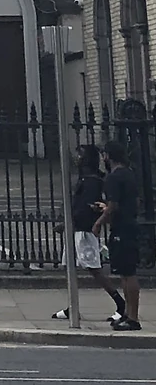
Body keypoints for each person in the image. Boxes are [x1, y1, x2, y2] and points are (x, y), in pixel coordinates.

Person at [52, 144, 126, 322]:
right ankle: (72, 306)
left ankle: (120, 303)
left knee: (94, 269)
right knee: (69, 267)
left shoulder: (92, 180)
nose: (77, 158)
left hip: (84, 230)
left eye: (81, 155)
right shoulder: (86, 178)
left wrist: (67, 223)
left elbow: (85, 208)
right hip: (76, 229)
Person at [96, 138, 142, 331]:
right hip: (129, 224)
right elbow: (134, 201)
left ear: (109, 156)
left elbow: (113, 205)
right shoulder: (129, 174)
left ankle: (133, 317)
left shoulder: (114, 177)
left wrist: (99, 221)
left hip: (122, 228)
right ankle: (128, 314)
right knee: (124, 272)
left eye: (104, 155)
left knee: (128, 273)